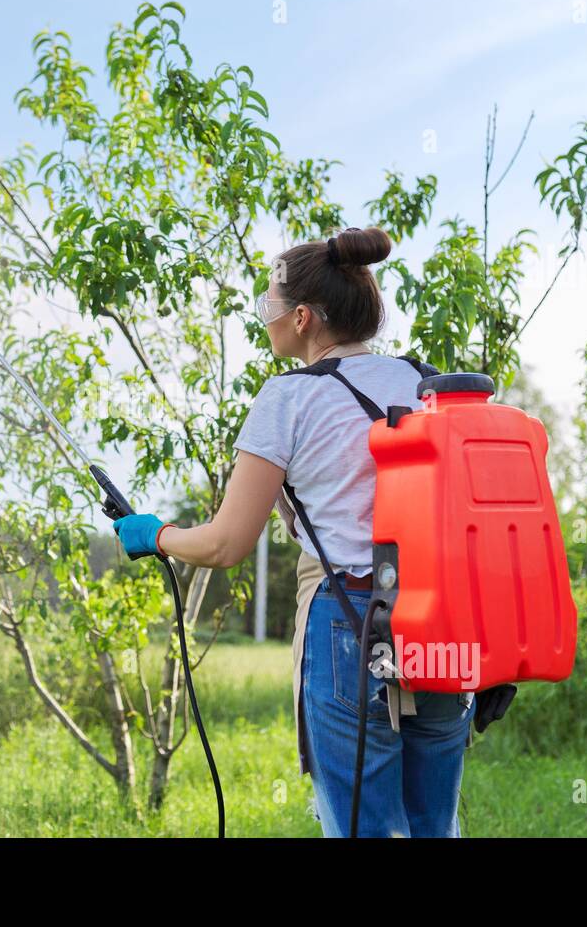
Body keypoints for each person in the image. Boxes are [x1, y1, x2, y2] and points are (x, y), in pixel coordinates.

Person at [111, 226, 474, 837]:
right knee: (434, 827)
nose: (266, 322)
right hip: (445, 625)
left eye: (269, 309)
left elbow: (227, 544)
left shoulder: (288, 399)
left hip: (352, 625)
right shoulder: (425, 382)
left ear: (302, 317)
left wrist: (157, 535)